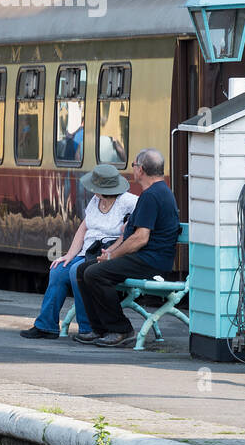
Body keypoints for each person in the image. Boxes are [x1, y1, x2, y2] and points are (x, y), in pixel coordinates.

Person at [75, 148, 180, 347]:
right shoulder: (157, 192)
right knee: (83, 269)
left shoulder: (152, 195)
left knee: (96, 274)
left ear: (140, 170)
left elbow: (140, 238)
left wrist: (111, 256)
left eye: (133, 165)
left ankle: (121, 329)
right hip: (148, 258)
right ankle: (100, 328)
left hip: (151, 261)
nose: (133, 169)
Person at [20, 164, 137, 339]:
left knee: (77, 272)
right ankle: (46, 326)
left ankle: (88, 328)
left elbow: (140, 225)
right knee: (58, 270)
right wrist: (69, 255)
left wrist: (128, 227)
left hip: (108, 253)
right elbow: (83, 228)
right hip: (87, 252)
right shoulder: (96, 200)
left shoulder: (129, 201)